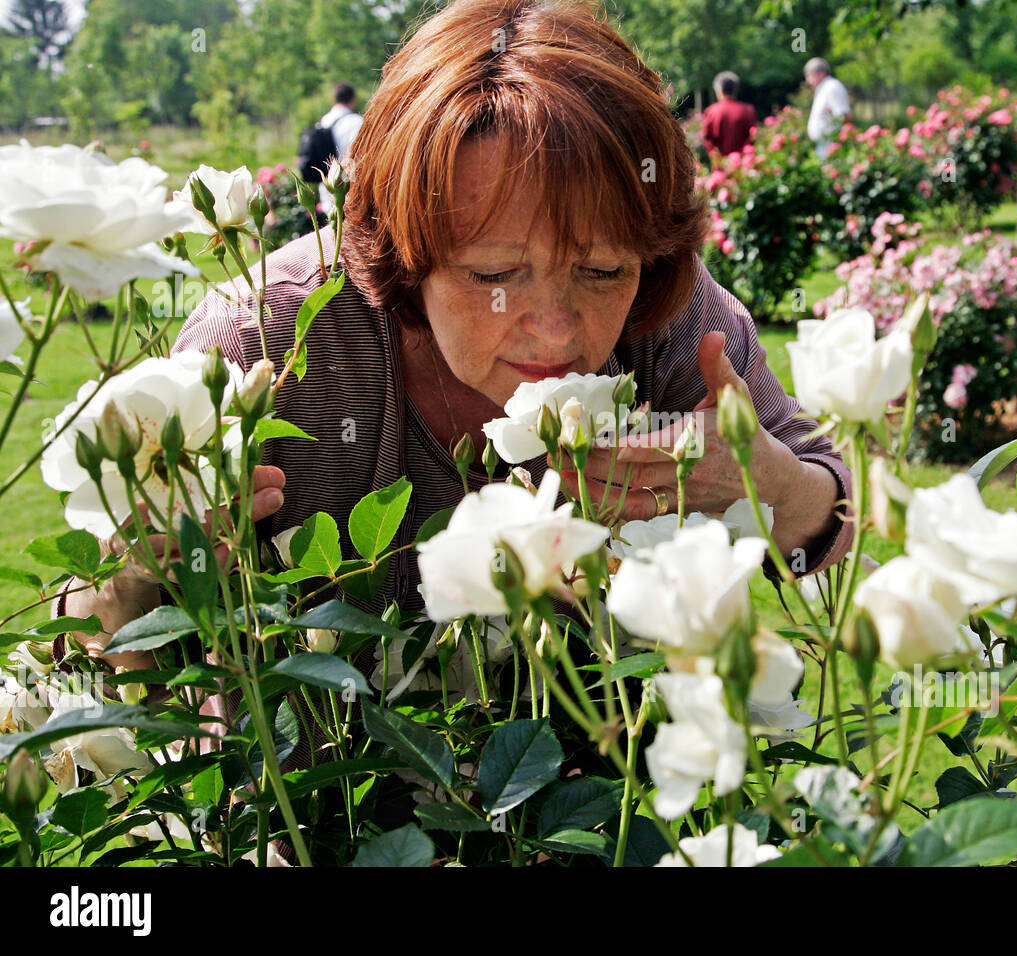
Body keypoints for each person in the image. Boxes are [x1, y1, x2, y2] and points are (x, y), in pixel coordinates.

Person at [64, 0, 854, 667]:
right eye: (492, 275)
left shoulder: (670, 317)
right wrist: (139, 583)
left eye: (601, 271)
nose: (555, 329)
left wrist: (776, 489)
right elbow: (100, 660)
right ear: (406, 252)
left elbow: (833, 520)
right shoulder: (261, 342)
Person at [316, 82, 364, 215]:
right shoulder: (356, 122)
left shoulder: (323, 121)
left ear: (334, 99)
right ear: (353, 100)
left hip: (326, 188)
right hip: (350, 189)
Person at [803, 57, 851, 159]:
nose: (807, 80)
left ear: (821, 73)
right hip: (824, 144)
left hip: (832, 144)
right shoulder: (823, 88)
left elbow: (844, 115)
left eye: (809, 75)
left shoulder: (832, 87)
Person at [701, 70, 756, 157]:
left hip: (720, 165)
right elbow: (752, 137)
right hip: (743, 165)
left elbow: (708, 139)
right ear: (736, 90)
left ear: (719, 92)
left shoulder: (711, 111)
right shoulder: (748, 110)